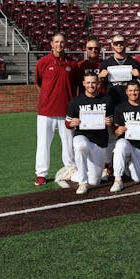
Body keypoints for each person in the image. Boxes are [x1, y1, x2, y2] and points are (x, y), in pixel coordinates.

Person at [34, 32, 78, 186]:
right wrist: (47, 98)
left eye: (62, 42)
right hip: (46, 112)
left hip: (66, 112)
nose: (59, 45)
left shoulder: (72, 64)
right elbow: (38, 83)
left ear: (65, 44)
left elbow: (78, 85)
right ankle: (41, 174)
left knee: (68, 144)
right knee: (43, 144)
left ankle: (70, 170)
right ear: (51, 44)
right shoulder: (43, 62)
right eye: (57, 42)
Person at [63, 72, 113, 194]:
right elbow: (67, 123)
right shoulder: (76, 101)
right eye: (88, 83)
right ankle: (82, 182)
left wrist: (110, 121)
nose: (91, 85)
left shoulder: (107, 99)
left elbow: (112, 121)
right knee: (81, 147)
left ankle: (75, 173)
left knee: (95, 181)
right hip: (82, 136)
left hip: (100, 141)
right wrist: (71, 124)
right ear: (84, 84)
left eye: (94, 82)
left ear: (98, 83)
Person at [110, 80, 140, 193]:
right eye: (130, 90)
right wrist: (118, 131)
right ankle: (118, 179)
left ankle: (128, 164)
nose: (133, 93)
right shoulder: (120, 108)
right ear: (126, 92)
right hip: (127, 143)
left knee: (139, 178)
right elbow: (116, 131)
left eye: (136, 90)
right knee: (120, 145)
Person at [99, 34, 140, 107]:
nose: (119, 45)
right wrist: (99, 77)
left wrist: (139, 76)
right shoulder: (105, 64)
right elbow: (100, 87)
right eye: (116, 43)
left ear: (126, 43)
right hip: (111, 101)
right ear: (112, 45)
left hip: (130, 102)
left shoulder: (134, 63)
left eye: (121, 43)